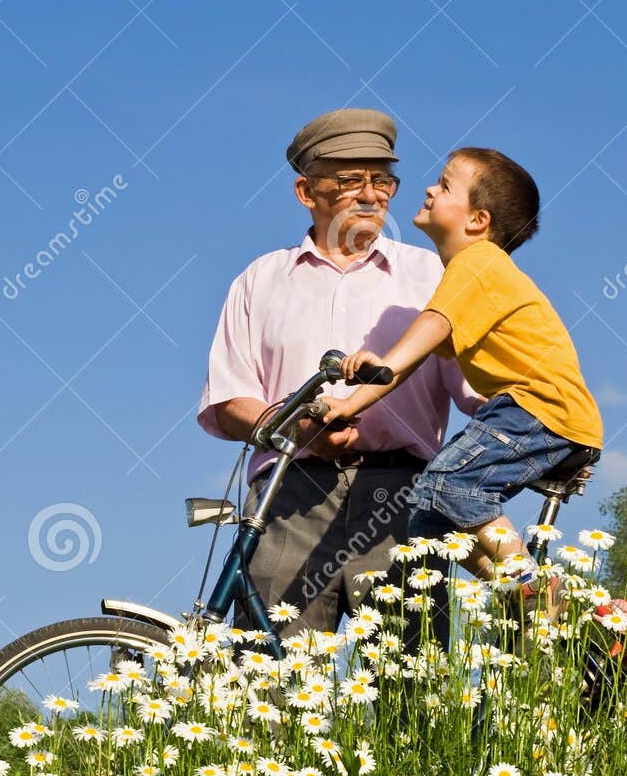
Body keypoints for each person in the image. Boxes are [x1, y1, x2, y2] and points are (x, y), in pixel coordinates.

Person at [198, 109, 478, 643]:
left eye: (382, 180)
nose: (370, 195)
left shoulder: (434, 275)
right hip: (288, 496)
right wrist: (295, 428)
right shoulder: (259, 280)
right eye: (350, 181)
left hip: (402, 497)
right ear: (307, 191)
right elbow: (229, 399)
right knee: (270, 689)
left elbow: (478, 389)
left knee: (410, 689)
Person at [319, 147, 602, 582]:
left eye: (446, 184)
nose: (430, 188)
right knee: (430, 520)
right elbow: (417, 359)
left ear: (478, 221)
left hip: (538, 408)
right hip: (542, 414)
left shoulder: (479, 261)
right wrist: (353, 404)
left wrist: (369, 380)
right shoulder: (470, 272)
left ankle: (533, 582)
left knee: (453, 483)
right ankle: (524, 598)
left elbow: (427, 330)